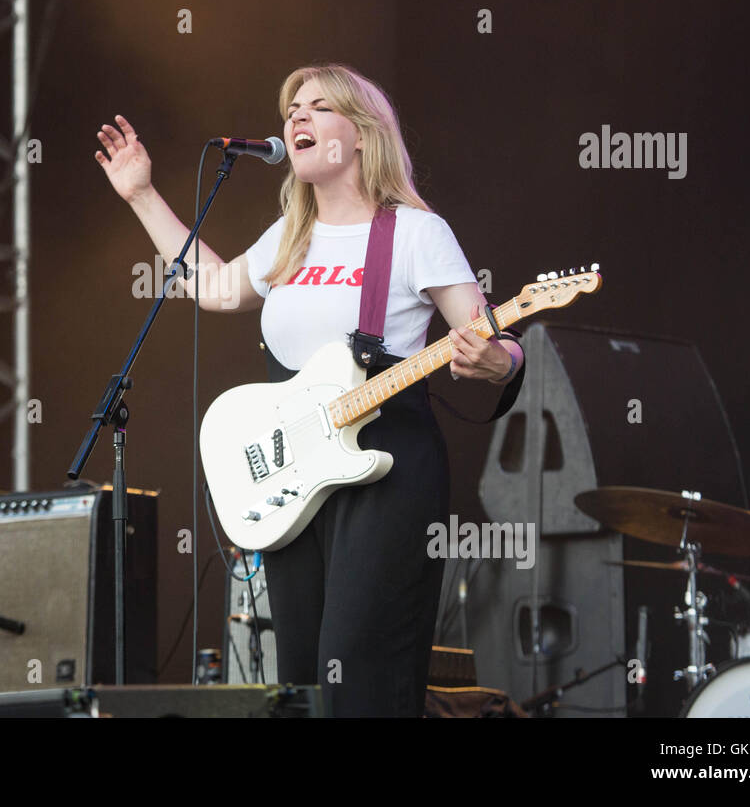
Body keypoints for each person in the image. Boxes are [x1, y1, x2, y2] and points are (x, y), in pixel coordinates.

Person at [95, 64, 524, 717]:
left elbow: (487, 335)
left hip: (386, 465)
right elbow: (213, 288)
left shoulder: (412, 232)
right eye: (291, 108)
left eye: (319, 107)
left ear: (360, 135)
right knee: (300, 674)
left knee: (360, 662)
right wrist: (141, 194)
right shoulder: (290, 238)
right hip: (297, 473)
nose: (296, 117)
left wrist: (499, 361)